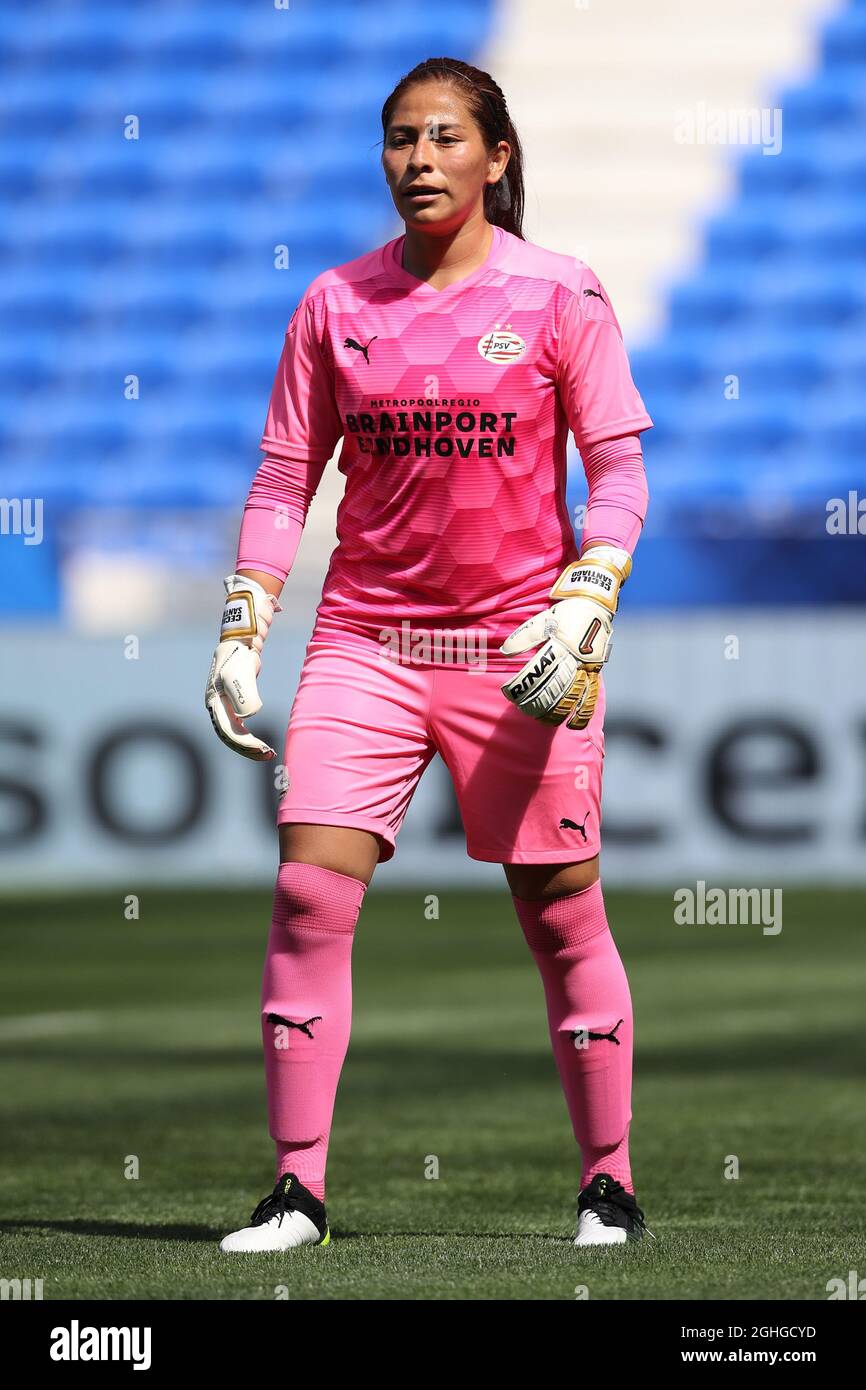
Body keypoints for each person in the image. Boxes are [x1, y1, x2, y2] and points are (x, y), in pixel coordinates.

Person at [205, 56, 653, 1252]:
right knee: (307, 891)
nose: (418, 160)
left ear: (495, 158)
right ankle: (297, 1190)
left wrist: (588, 588)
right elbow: (283, 475)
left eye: (445, 138)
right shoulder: (334, 305)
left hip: (515, 647)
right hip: (365, 637)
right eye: (399, 140)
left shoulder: (560, 295)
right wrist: (246, 616)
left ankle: (605, 1181)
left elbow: (617, 471)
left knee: (558, 909)